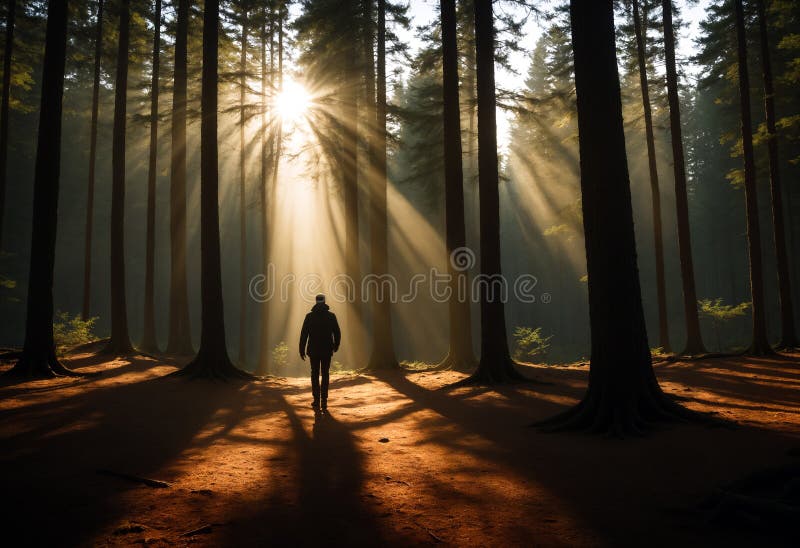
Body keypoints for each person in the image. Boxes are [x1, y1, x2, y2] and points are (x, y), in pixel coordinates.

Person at [299, 294, 341, 411]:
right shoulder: (331, 316)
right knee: (325, 374)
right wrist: (336, 345)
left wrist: (301, 349)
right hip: (327, 349)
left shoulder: (309, 316)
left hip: (313, 350)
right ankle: (324, 401)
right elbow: (337, 332)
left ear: (316, 301)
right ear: (325, 301)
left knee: (314, 374)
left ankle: (316, 400)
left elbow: (304, 334)